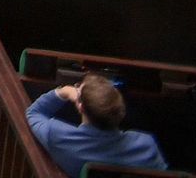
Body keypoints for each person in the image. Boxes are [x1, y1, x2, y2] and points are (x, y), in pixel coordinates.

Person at [27, 74, 167, 178]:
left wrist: (65, 91)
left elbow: (34, 113)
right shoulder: (146, 146)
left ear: (80, 106)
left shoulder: (58, 136)